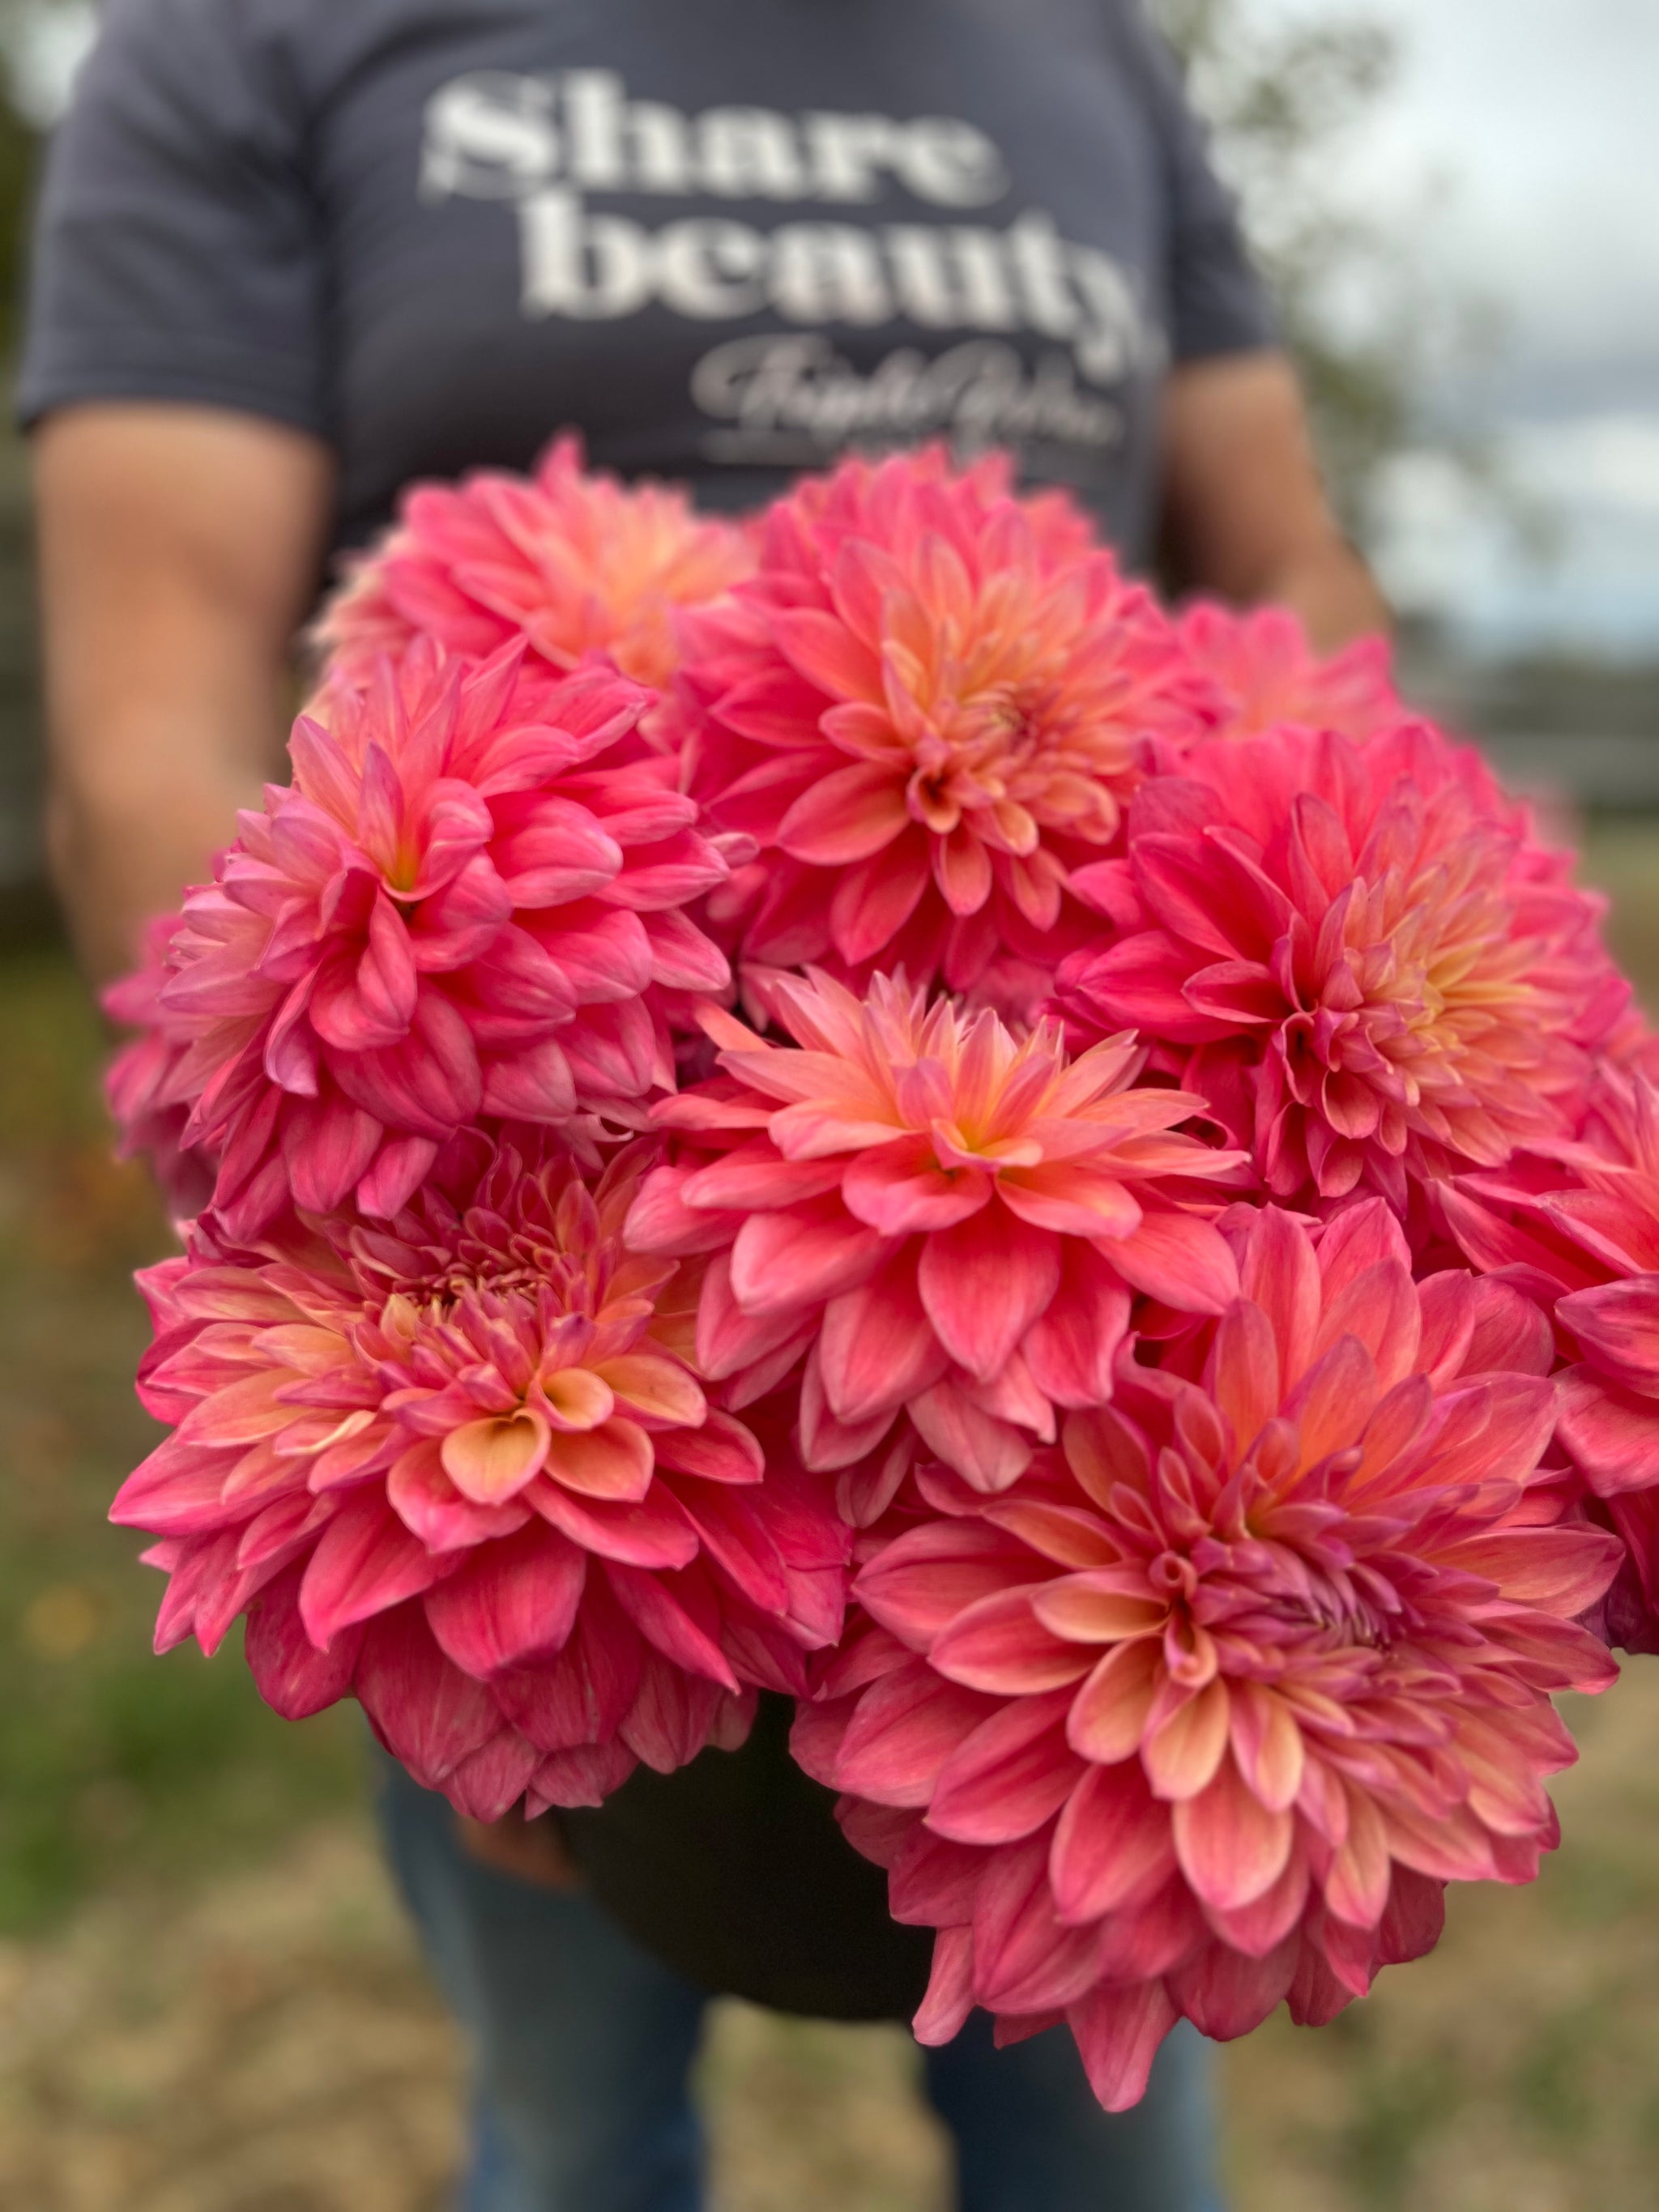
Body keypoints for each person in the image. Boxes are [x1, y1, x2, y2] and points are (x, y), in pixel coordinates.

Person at [21, 3, 1389, 2206]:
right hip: (513, 1151)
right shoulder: (258, 38)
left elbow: (1285, 571)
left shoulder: (1092, 57)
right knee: (569, 2128)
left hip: (1106, 1259)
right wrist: (318, 1197)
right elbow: (147, 721)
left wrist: (1306, 784)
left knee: (1121, 2134)